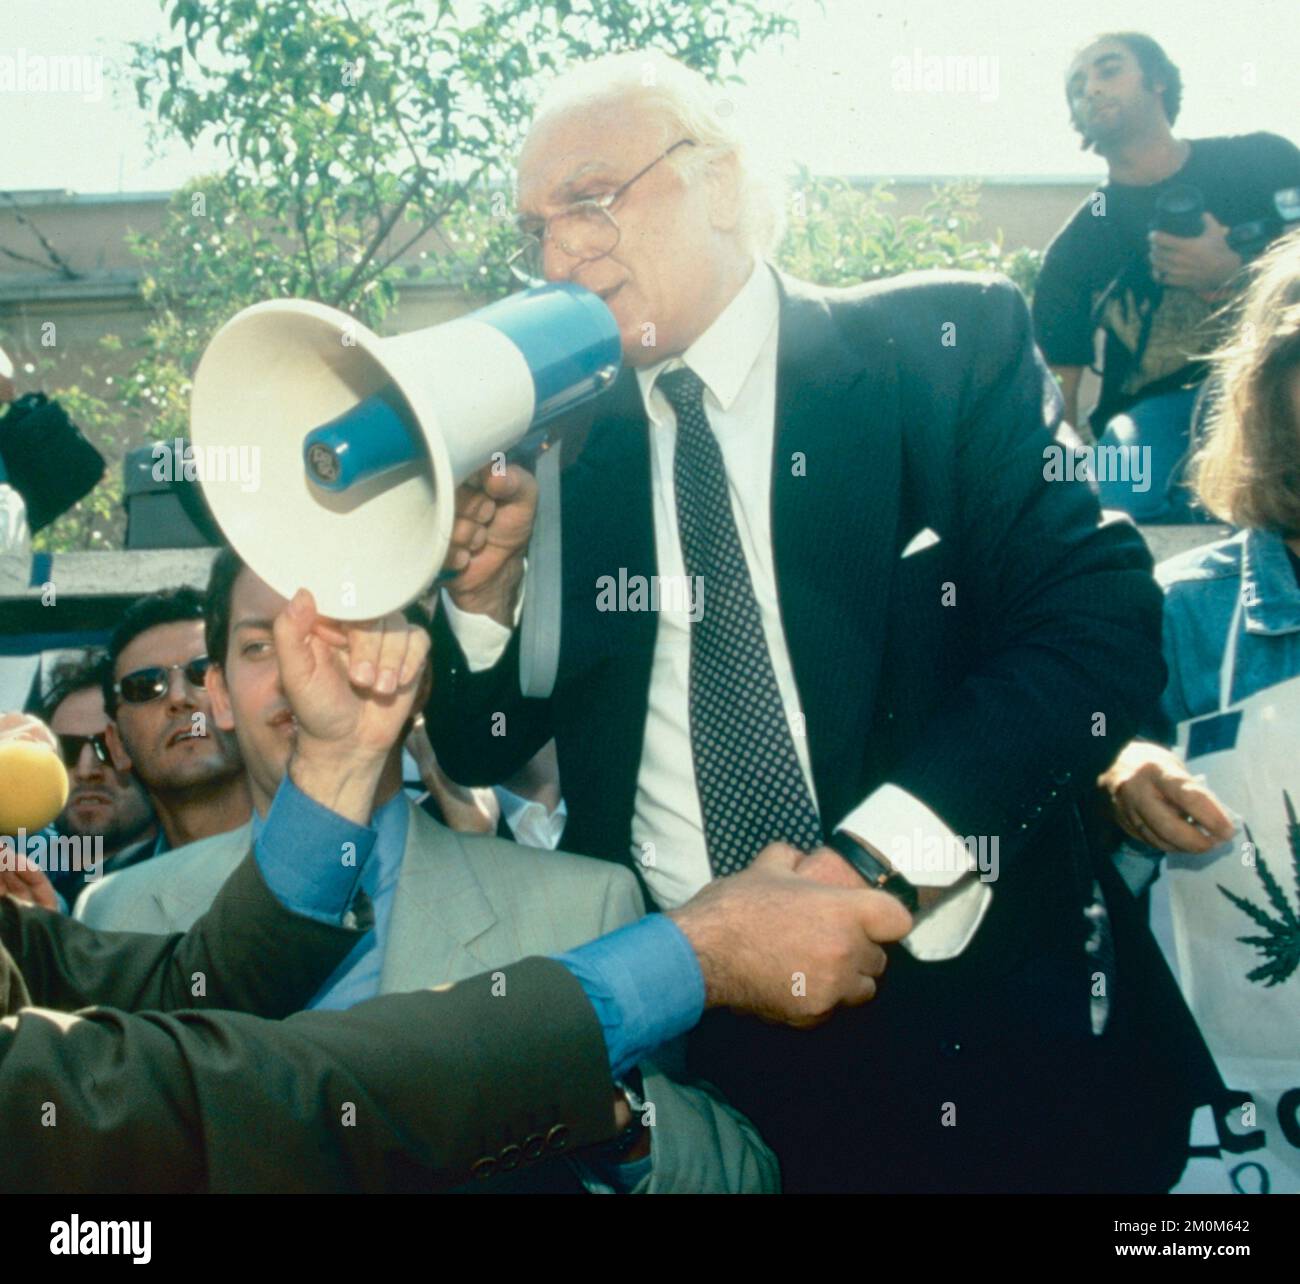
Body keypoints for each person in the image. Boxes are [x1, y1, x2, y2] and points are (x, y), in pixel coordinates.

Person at [425, 49, 1221, 1193]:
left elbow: (1093, 628)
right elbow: (476, 746)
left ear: (724, 184)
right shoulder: (558, 448)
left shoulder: (948, 347)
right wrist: (484, 604)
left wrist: (865, 873)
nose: (559, 255)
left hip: (995, 1043)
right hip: (704, 1075)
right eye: (533, 228)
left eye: (590, 201)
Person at [1, 583, 908, 1193]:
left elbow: (191, 986)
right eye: (257, 644)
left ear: (416, 663)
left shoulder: (583, 898)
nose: (305, 664)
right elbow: (245, 1096)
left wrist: (621, 1122)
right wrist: (690, 955)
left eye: (343, 628)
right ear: (224, 687)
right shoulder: (118, 905)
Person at [1099, 230, 1300, 1191]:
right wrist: (1125, 779)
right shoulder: (1182, 612)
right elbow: (1091, 877)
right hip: (1229, 1150)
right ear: (1270, 394)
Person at [1033, 32, 1300, 521]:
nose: (1089, 89)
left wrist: (1237, 269)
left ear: (1157, 81)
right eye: (1077, 85)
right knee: (1114, 485)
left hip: (1278, 385)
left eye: (1108, 70)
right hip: (1154, 413)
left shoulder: (1263, 162)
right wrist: (1060, 504)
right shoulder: (1076, 247)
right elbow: (1057, 393)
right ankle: (1240, 511)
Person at [97, 586, 249, 865]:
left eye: (203, 672)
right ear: (117, 745)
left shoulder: (337, 854)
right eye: (145, 686)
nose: (179, 698)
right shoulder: (99, 899)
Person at [30, 652, 156, 908]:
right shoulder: (22, 888)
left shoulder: (194, 885)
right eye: (68, 749)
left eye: (108, 747)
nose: (87, 771)